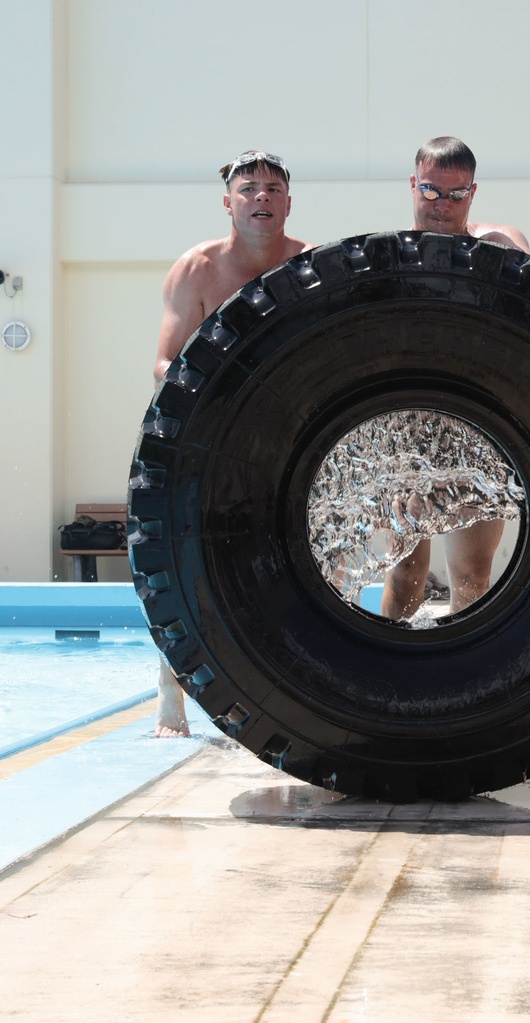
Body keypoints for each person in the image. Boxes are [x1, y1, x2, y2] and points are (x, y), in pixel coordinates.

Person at [153, 149, 311, 736]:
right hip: (205, 438)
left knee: (282, 569)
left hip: (283, 442)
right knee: (183, 568)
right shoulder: (197, 269)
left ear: (289, 203)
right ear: (229, 203)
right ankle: (171, 698)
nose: (262, 197)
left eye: (273, 189)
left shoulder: (311, 265)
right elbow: (166, 361)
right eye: (250, 189)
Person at [379, 137, 530, 620]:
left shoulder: (495, 247)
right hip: (407, 428)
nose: (442, 205)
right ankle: (383, 680)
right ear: (412, 185)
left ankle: (468, 690)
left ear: (473, 192)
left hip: (478, 427)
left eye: (456, 194)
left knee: (471, 576)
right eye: (430, 191)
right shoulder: (389, 259)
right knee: (406, 572)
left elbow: (524, 288)